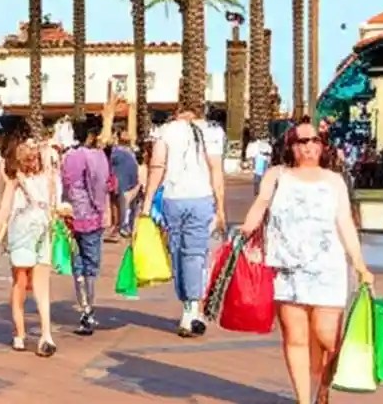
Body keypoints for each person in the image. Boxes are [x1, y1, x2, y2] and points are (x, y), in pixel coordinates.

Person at [240, 121, 373, 404]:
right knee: (296, 338)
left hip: (328, 269)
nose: (310, 146)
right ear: (290, 146)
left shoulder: (333, 180)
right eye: (302, 141)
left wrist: (359, 262)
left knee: (328, 338)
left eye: (315, 140)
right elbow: (260, 205)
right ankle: (304, 400)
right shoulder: (277, 176)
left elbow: (345, 223)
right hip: (287, 270)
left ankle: (322, 388)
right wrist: (241, 237)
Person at [140, 106, 225, 337]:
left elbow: (157, 167)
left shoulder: (166, 131)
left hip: (174, 199)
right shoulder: (212, 131)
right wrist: (221, 208)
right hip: (201, 199)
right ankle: (192, 308)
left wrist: (147, 202)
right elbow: (216, 170)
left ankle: (189, 308)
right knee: (195, 254)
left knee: (177, 252)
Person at [0, 139, 58, 357]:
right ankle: (40, 334)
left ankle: (24, 334)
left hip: (25, 233)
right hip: (41, 231)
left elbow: (4, 212)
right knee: (36, 285)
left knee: (21, 283)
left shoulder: (23, 180)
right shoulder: (40, 179)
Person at [61, 128, 110, 335]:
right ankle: (89, 311)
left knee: (78, 264)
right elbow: (99, 185)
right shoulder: (95, 156)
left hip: (72, 215)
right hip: (90, 216)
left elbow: (65, 184)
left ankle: (84, 309)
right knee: (91, 264)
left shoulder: (69, 156)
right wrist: (103, 208)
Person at [110, 131, 140, 237]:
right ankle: (124, 227)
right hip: (126, 182)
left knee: (125, 206)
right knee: (126, 206)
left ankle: (124, 227)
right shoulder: (125, 152)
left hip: (126, 182)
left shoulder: (121, 152)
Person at [246, 131, 274, 196]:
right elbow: (252, 154)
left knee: (263, 176)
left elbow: (270, 152)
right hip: (260, 159)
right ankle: (257, 190)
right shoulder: (257, 144)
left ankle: (261, 190)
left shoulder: (267, 144)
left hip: (264, 160)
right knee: (258, 176)